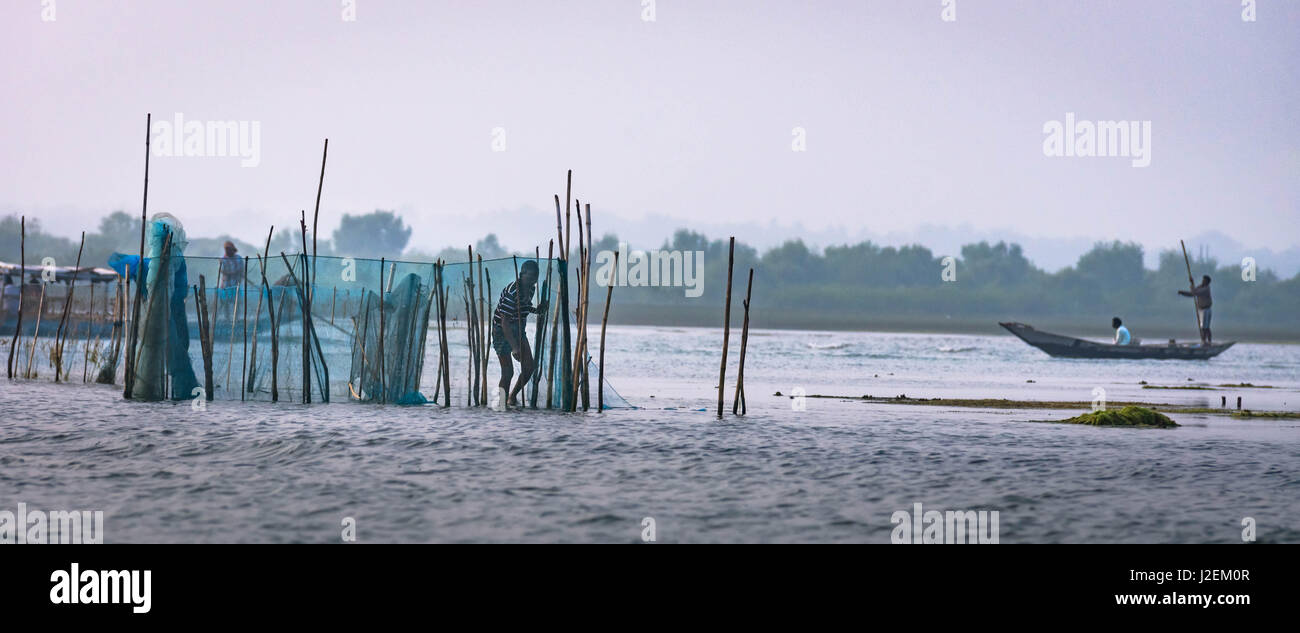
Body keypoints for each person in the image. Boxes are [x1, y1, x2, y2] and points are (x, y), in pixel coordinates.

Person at [492, 260, 548, 408]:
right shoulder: (512, 292)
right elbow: (504, 322)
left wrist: (537, 310)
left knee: (529, 367)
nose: (532, 281)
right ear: (521, 275)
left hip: (518, 329)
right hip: (502, 331)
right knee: (507, 372)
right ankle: (502, 404)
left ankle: (512, 396)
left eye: (535, 278)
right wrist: (515, 347)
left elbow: (524, 306)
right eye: (529, 278)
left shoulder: (531, 289)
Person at [1178, 275, 1213, 344]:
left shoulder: (1206, 289)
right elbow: (1192, 294)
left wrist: (1192, 283)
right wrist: (1182, 293)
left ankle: (1206, 342)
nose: (1202, 281)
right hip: (1202, 310)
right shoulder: (1200, 287)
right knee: (1205, 327)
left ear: (1207, 282)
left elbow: (1195, 292)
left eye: (1204, 281)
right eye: (1202, 280)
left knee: (1205, 328)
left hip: (1206, 310)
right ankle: (1206, 342)